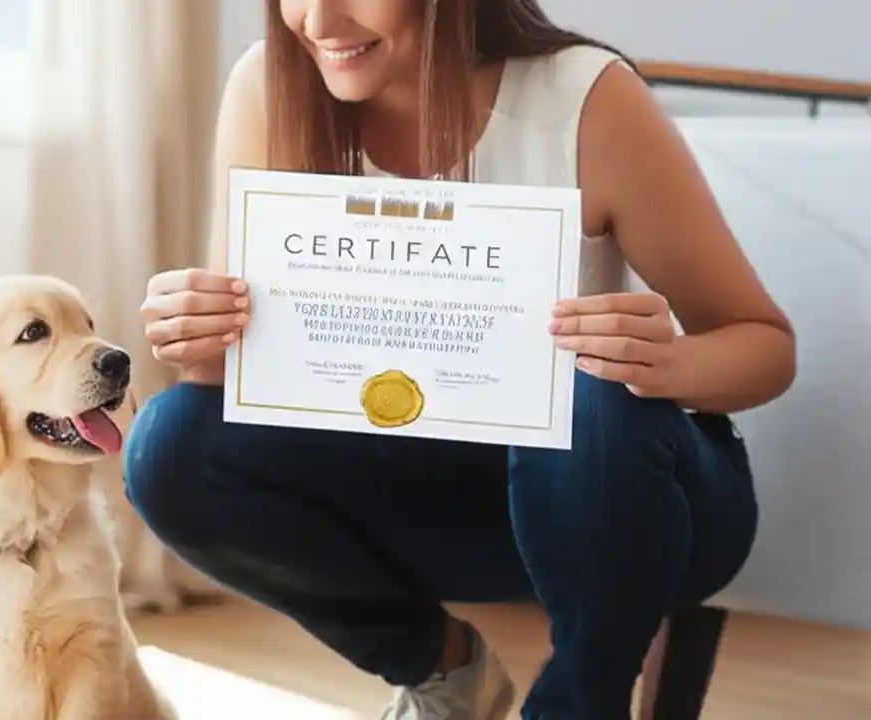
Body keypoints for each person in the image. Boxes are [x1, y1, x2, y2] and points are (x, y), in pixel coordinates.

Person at [125, 1, 796, 718]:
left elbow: (764, 345)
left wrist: (665, 366)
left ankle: (579, 703)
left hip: (630, 503)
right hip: (429, 499)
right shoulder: (271, 85)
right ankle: (443, 671)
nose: (318, 20)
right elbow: (234, 389)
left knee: (583, 395)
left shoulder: (585, 97)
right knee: (169, 443)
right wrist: (199, 338)